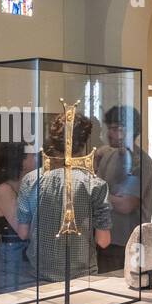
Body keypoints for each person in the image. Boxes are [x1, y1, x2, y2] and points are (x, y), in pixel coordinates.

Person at [15, 112, 112, 283]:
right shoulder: (95, 184)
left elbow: (23, 233)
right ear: (84, 143)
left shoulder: (30, 180)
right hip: (81, 276)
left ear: (53, 140)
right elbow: (103, 240)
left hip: (39, 274)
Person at [93, 105, 152, 275]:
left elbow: (126, 204)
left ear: (129, 130)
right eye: (110, 128)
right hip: (105, 239)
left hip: (128, 242)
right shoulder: (108, 156)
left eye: (116, 129)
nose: (110, 133)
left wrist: (101, 193)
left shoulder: (140, 162)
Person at [0, 142, 37, 293]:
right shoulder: (4, 189)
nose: (36, 158)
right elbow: (21, 228)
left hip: (25, 250)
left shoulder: (25, 185)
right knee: (11, 298)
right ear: (21, 162)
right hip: (13, 251)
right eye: (31, 155)